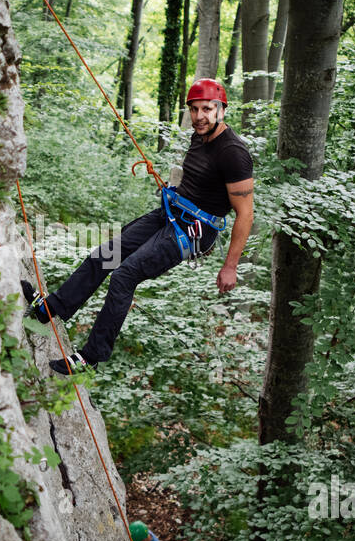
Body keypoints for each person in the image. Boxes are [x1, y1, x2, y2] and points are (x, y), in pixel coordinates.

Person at [22, 79, 255, 376]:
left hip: (193, 231)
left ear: (222, 110)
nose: (200, 116)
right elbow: (199, 183)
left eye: (208, 109)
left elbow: (245, 214)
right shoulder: (199, 136)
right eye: (195, 109)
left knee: (123, 276)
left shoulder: (233, 153)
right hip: (172, 213)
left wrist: (230, 266)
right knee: (106, 254)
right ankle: (49, 309)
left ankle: (90, 357)